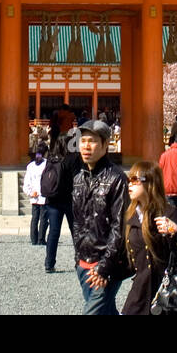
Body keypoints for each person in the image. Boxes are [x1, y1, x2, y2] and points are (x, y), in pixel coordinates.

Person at [71, 120, 128, 314]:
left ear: (105, 145)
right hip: (83, 262)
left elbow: (119, 226)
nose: (86, 146)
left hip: (106, 265)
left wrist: (105, 267)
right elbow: (77, 222)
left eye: (93, 141)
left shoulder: (117, 178)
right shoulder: (78, 178)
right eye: (83, 140)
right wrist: (78, 256)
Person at [118, 161, 177, 315]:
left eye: (134, 180)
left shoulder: (169, 214)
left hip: (166, 294)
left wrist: (175, 233)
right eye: (128, 180)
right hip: (139, 294)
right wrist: (103, 271)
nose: (129, 184)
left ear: (149, 182)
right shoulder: (130, 215)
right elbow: (128, 262)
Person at [43, 132, 80, 274]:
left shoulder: (51, 159)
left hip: (52, 200)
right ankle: (79, 260)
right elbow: (77, 179)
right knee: (76, 231)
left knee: (53, 232)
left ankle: (49, 263)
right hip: (70, 199)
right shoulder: (73, 158)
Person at [24, 144, 49, 246]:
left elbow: (27, 181)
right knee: (43, 218)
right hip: (44, 194)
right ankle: (41, 239)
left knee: (35, 217)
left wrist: (30, 192)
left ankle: (33, 239)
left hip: (34, 194)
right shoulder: (47, 164)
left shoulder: (30, 166)